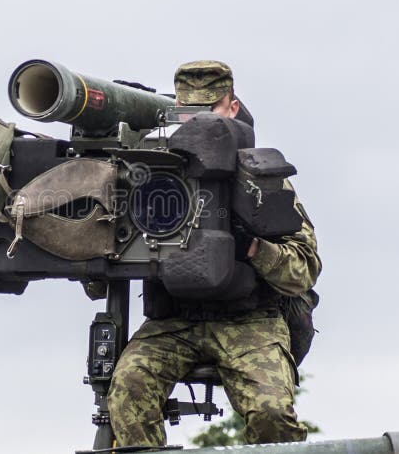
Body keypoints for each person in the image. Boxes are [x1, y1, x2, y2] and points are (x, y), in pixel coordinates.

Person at [106, 60, 322, 446]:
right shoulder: (154, 176)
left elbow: (303, 270)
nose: (200, 124)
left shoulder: (262, 179)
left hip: (249, 321)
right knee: (128, 390)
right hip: (176, 321)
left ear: (233, 108)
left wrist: (253, 248)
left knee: (272, 413)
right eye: (190, 114)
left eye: (211, 112)